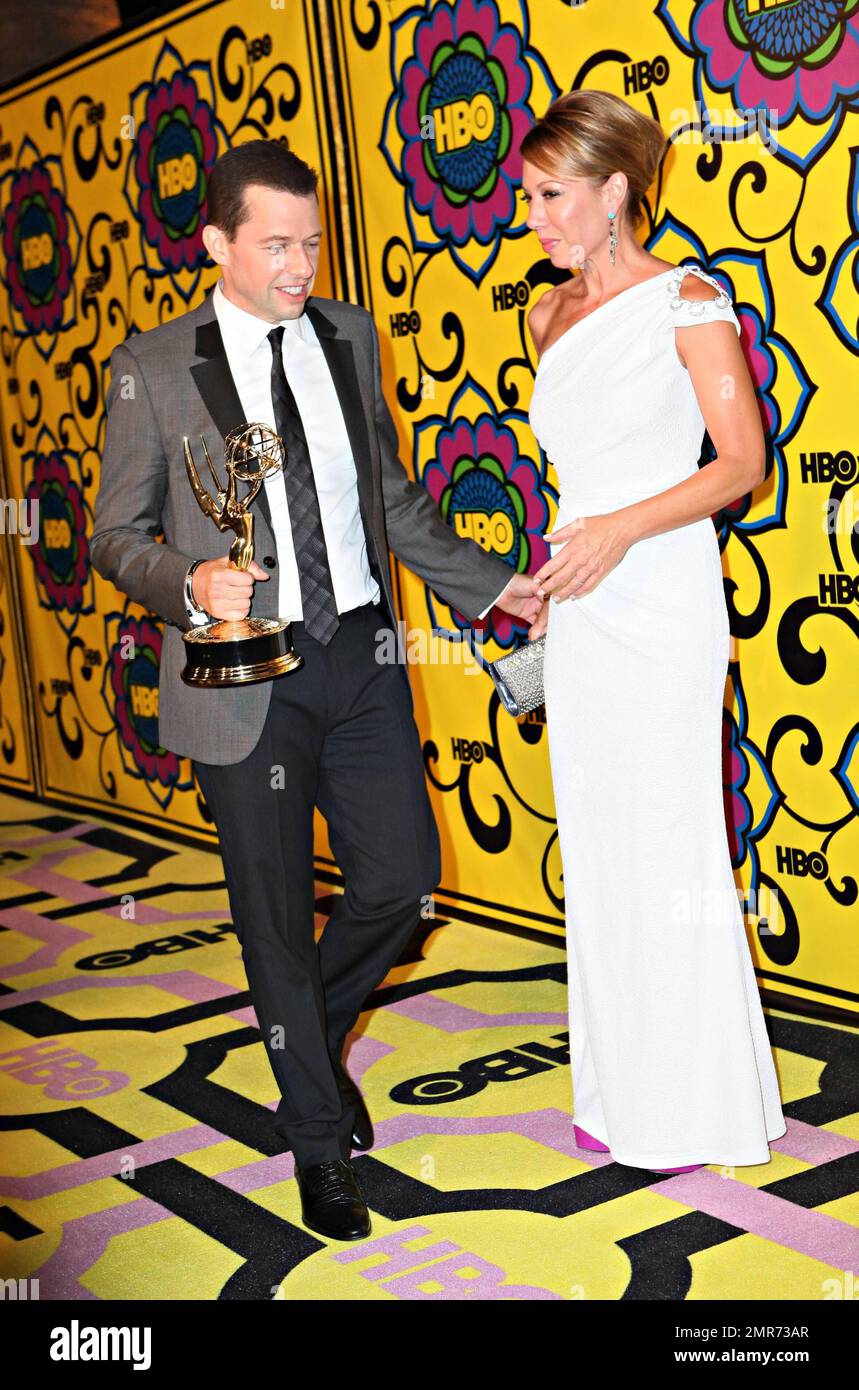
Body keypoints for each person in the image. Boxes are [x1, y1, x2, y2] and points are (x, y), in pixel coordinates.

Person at [91, 140, 543, 1240]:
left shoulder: (345, 336)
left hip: (359, 653)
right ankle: (315, 1141)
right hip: (241, 669)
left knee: (401, 880)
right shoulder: (152, 367)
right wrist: (186, 578)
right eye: (277, 245)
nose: (301, 266)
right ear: (217, 245)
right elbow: (113, 535)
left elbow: (390, 502)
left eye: (312, 242)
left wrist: (502, 594)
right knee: (273, 922)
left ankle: (307, 1030)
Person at [521, 91, 786, 1172]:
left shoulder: (688, 301)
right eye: (529, 195)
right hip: (581, 605)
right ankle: (621, 1088)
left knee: (670, 839)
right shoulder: (545, 315)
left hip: (661, 597)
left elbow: (740, 464)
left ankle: (697, 1101)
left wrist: (621, 531)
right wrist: (546, 572)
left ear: (614, 190)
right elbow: (575, 473)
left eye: (551, 194)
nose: (533, 215)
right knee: (598, 846)